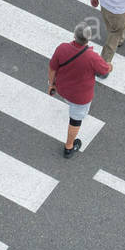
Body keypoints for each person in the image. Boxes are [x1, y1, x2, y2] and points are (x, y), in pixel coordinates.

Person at [48, 23, 111, 158]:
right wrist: (110, 66)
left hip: (63, 89)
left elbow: (52, 67)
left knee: (70, 102)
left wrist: (51, 84)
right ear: (88, 39)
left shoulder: (62, 48)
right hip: (80, 97)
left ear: (74, 35)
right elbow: (104, 70)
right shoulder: (92, 57)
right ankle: (69, 146)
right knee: (75, 120)